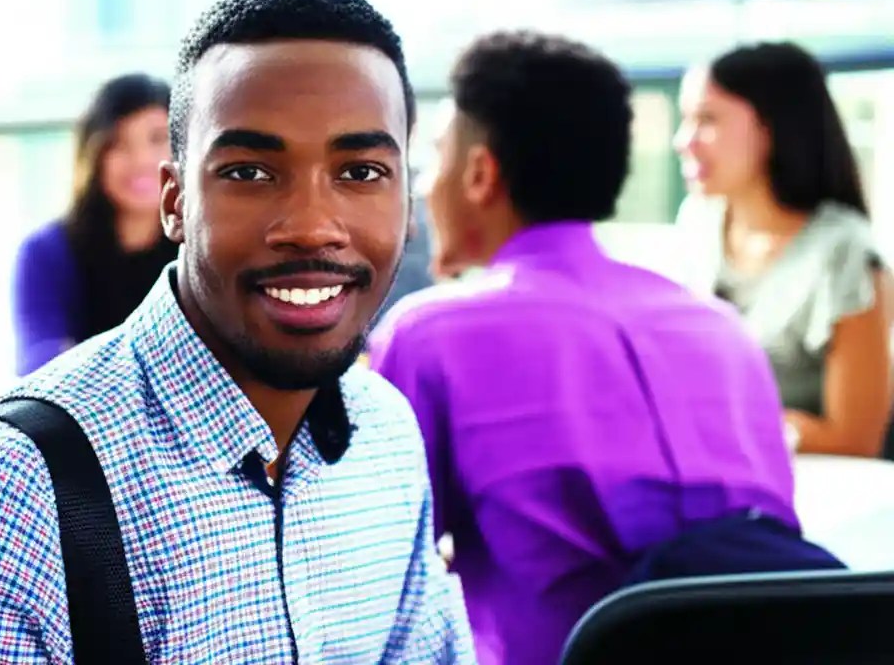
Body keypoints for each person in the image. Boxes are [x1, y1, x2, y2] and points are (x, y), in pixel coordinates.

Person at [0, 0, 472, 663]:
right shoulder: (6, 488)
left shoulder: (386, 438)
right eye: (249, 172)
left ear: (407, 203)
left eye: (361, 172)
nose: (311, 227)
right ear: (175, 201)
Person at [368, 32, 799, 665]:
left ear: (481, 174)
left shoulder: (432, 334)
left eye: (433, 160)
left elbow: (377, 579)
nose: (424, 189)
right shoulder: (721, 329)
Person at [672, 42, 892, 457]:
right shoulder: (697, 224)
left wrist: (721, 422)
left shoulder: (843, 253)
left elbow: (855, 440)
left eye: (707, 119)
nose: (684, 141)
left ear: (773, 127)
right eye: (685, 120)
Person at [12, 74, 177, 374]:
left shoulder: (201, 246)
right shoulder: (47, 252)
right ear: (94, 153)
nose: (140, 159)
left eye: (157, 139)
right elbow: (41, 365)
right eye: (118, 144)